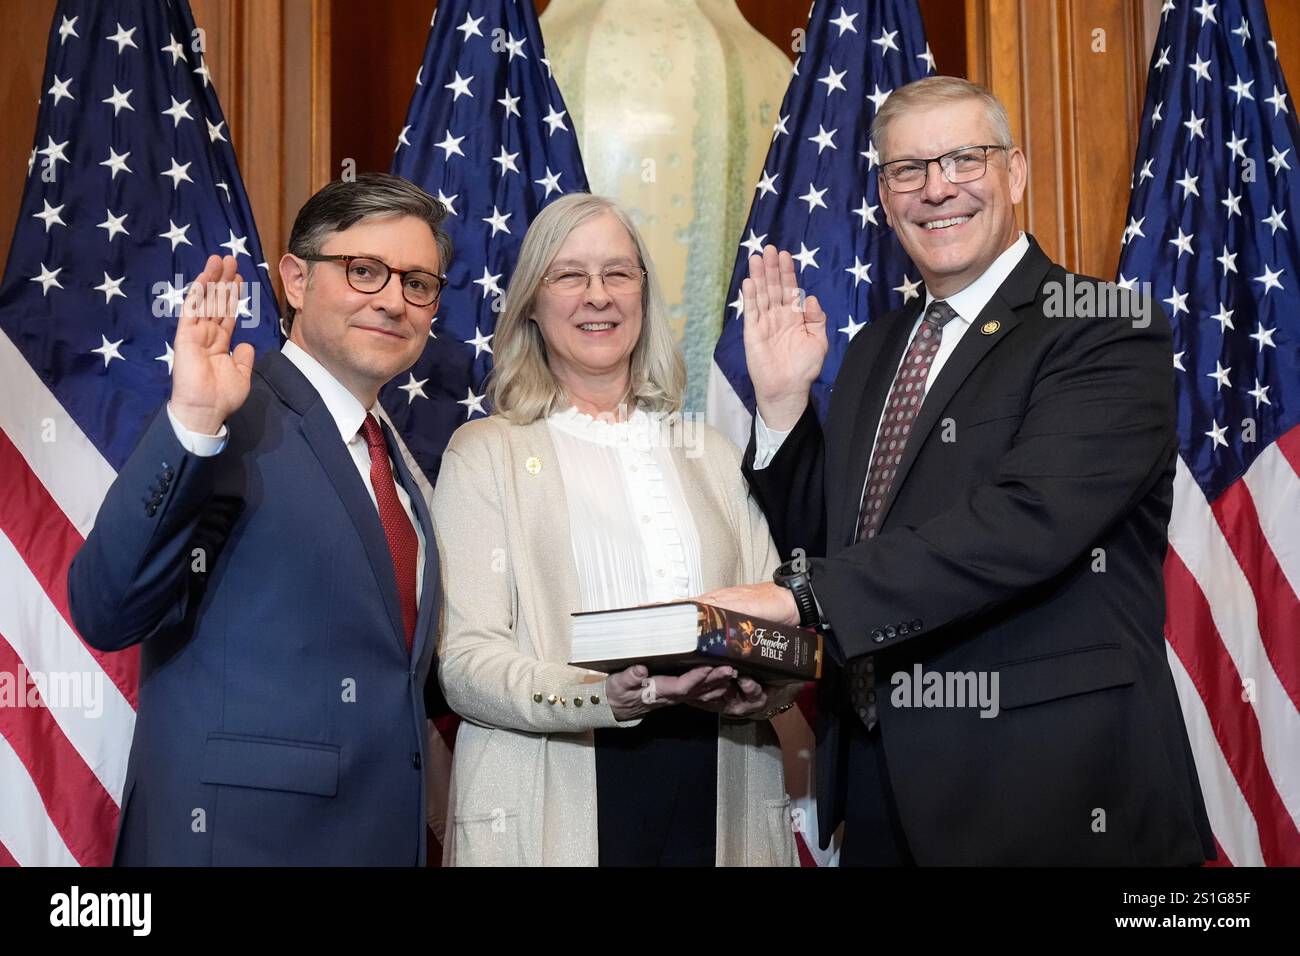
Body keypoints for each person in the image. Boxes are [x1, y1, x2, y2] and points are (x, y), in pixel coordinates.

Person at [701, 77, 1215, 865]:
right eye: (908, 169)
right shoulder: (876, 346)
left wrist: (800, 598)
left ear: (1014, 172)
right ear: (883, 193)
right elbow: (840, 545)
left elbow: (1026, 523)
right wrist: (780, 409)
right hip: (878, 790)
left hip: (1050, 792)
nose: (937, 188)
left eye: (963, 160)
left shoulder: (1104, 329)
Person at [68, 173, 451, 865]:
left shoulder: (391, 458)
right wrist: (190, 422)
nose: (394, 300)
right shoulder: (231, 416)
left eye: (418, 283)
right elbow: (106, 607)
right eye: (365, 271)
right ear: (297, 280)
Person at [432, 193, 799, 867]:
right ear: (532, 306)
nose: (596, 295)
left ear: (643, 295)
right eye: (569, 275)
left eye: (618, 273)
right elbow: (464, 666)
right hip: (557, 791)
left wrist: (760, 689)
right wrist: (605, 695)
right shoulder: (484, 452)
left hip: (717, 787)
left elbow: (779, 626)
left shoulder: (710, 452)